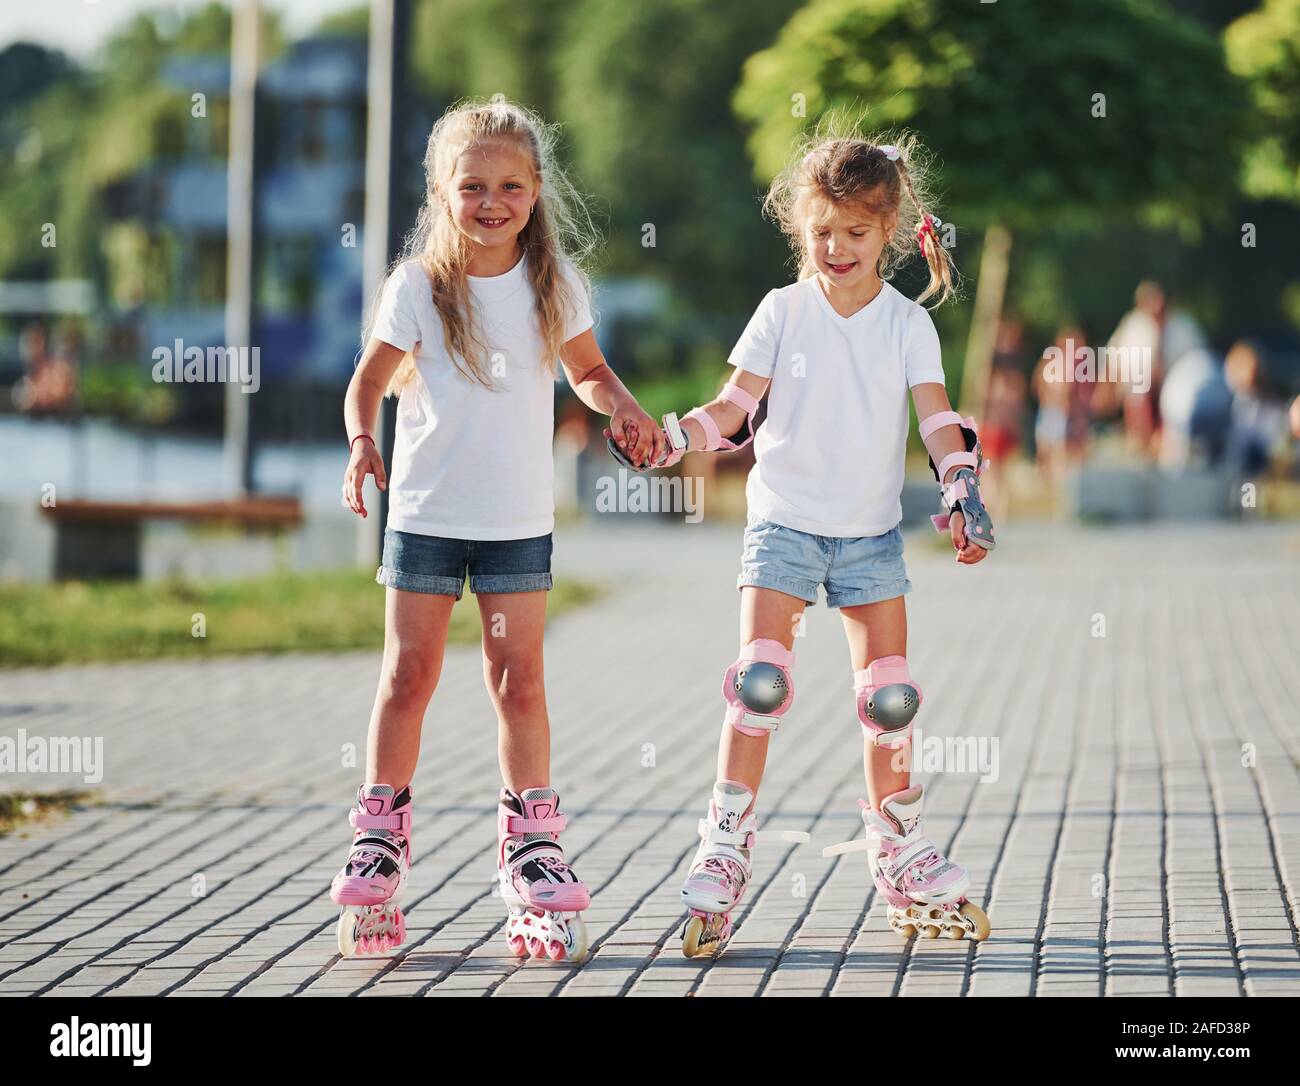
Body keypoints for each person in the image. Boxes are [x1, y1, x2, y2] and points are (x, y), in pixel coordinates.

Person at [611, 127, 993, 956]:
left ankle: (899, 848)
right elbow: (736, 406)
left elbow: (936, 415)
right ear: (801, 230)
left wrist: (961, 484)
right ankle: (724, 842)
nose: (836, 248)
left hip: (867, 536)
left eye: (855, 233)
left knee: (890, 698)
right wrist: (678, 437)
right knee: (759, 683)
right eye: (821, 232)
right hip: (783, 521)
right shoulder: (782, 312)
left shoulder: (905, 325)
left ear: (886, 233)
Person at [333, 96, 660, 962]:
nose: (491, 200)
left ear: (537, 191)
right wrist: (364, 443)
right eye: (472, 184)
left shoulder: (555, 284)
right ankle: (379, 833)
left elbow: (587, 370)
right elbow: (367, 384)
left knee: (519, 682)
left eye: (509, 185)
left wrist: (622, 407)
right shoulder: (416, 288)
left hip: (516, 522)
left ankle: (533, 845)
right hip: (429, 517)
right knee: (408, 674)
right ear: (442, 191)